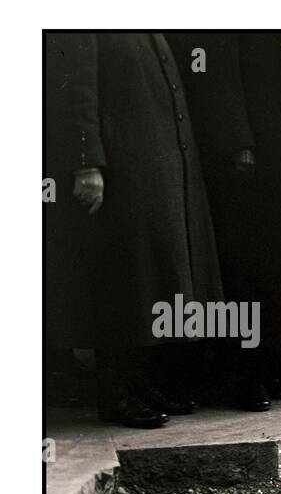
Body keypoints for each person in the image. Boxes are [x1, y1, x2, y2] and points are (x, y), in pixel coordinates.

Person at [44, 32, 224, 427]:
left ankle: (139, 383)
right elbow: (75, 89)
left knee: (155, 281)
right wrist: (86, 162)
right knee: (126, 285)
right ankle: (117, 393)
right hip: (122, 170)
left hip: (155, 167)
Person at [172, 32, 281, 409]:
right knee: (259, 269)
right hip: (264, 148)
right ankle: (247, 375)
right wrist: (237, 140)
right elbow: (218, 73)